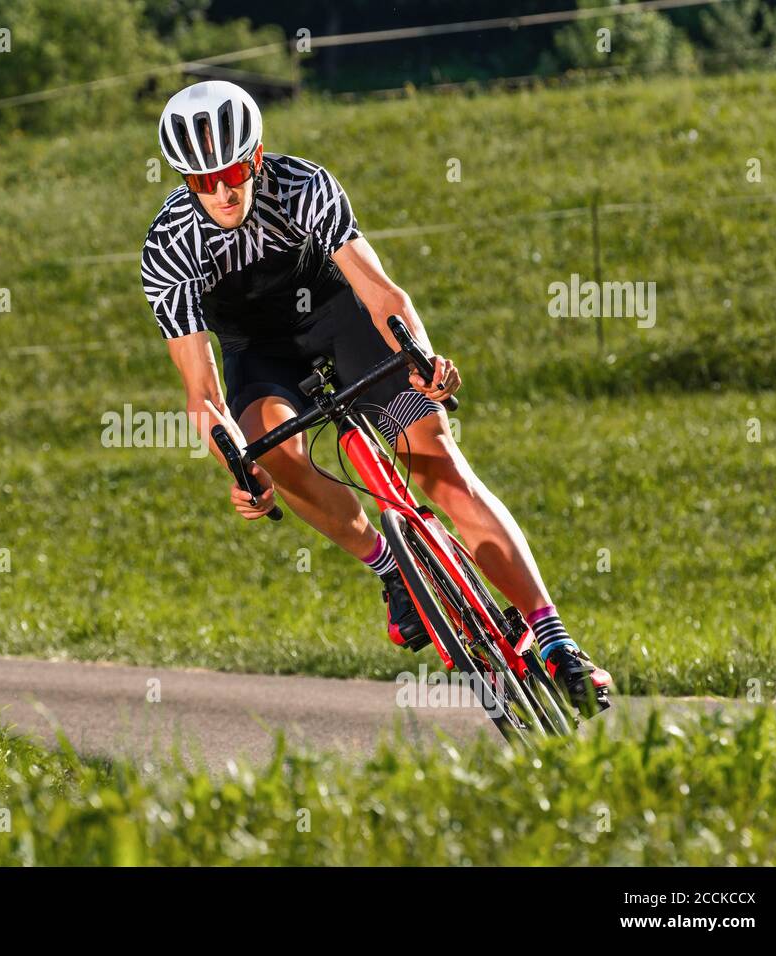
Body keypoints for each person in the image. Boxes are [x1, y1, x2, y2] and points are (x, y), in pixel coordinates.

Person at [140, 80, 611, 714]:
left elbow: (381, 294)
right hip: (261, 353)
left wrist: (420, 356)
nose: (222, 191)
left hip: (342, 319)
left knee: (440, 466)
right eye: (202, 181)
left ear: (256, 156)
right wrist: (240, 470)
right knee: (272, 450)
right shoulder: (168, 245)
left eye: (233, 169)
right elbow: (204, 394)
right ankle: (392, 568)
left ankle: (555, 640)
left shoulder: (303, 186)